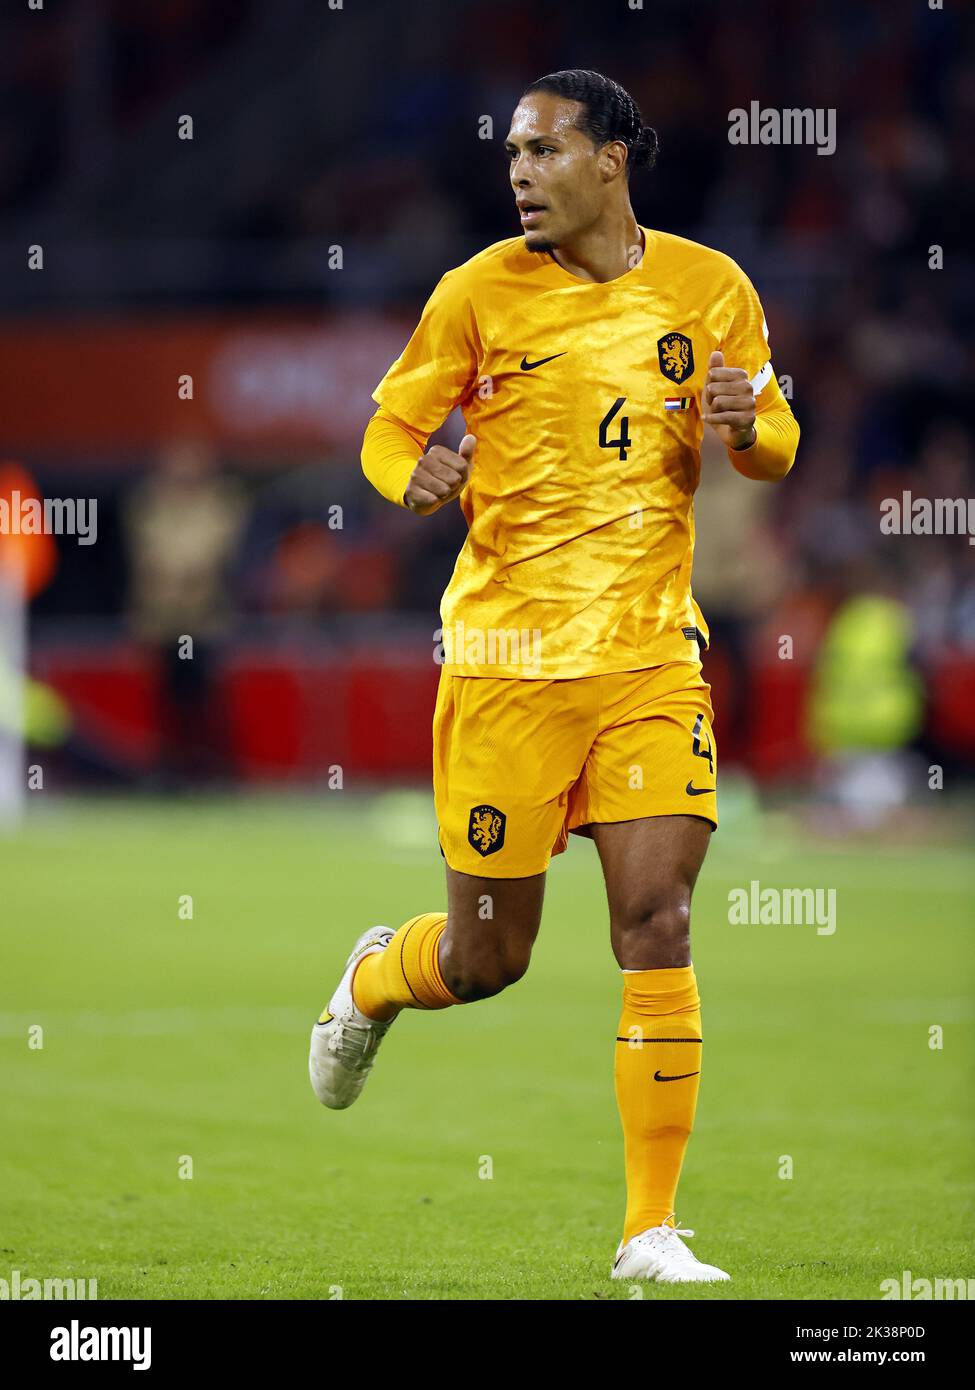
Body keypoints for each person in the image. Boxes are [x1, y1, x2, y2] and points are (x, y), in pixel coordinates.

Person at [310, 69, 799, 1283]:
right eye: (511, 155)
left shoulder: (710, 286)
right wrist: (404, 475)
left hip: (647, 658)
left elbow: (778, 444)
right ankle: (375, 979)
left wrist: (747, 421)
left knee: (658, 921)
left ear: (611, 159)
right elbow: (386, 428)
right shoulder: (475, 293)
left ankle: (650, 1229)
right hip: (507, 664)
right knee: (489, 963)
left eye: (543, 150)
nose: (520, 173)